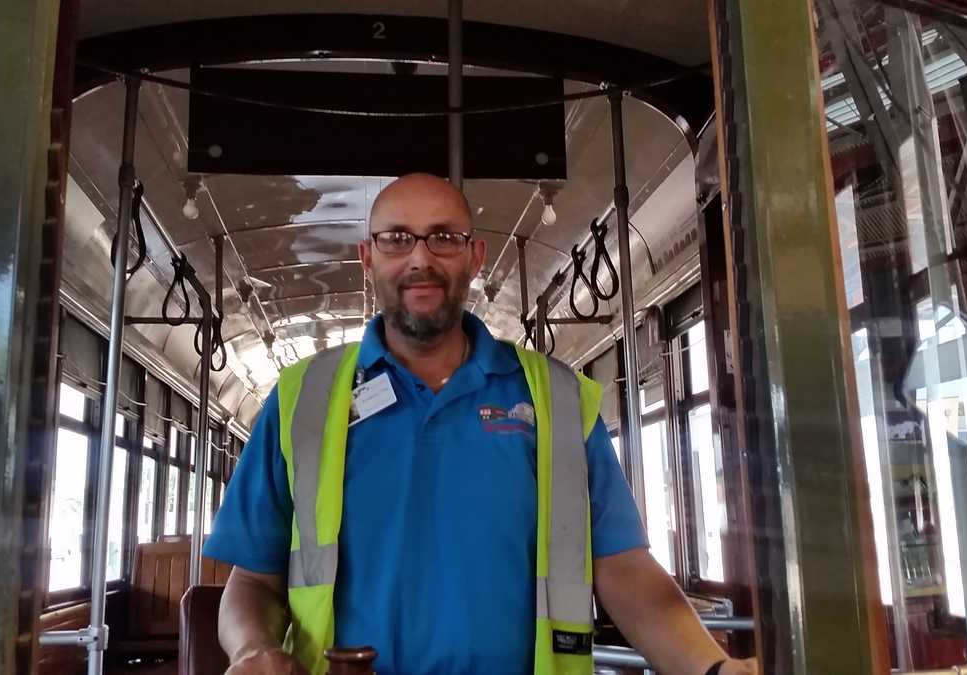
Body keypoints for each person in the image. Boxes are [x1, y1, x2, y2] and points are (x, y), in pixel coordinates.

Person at [204, 174, 758, 675]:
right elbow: (251, 582)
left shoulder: (557, 400)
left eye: (443, 238)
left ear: (475, 257)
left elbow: (623, 567)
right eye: (396, 239)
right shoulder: (302, 400)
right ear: (367, 257)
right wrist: (252, 649)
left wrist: (713, 669)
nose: (420, 258)